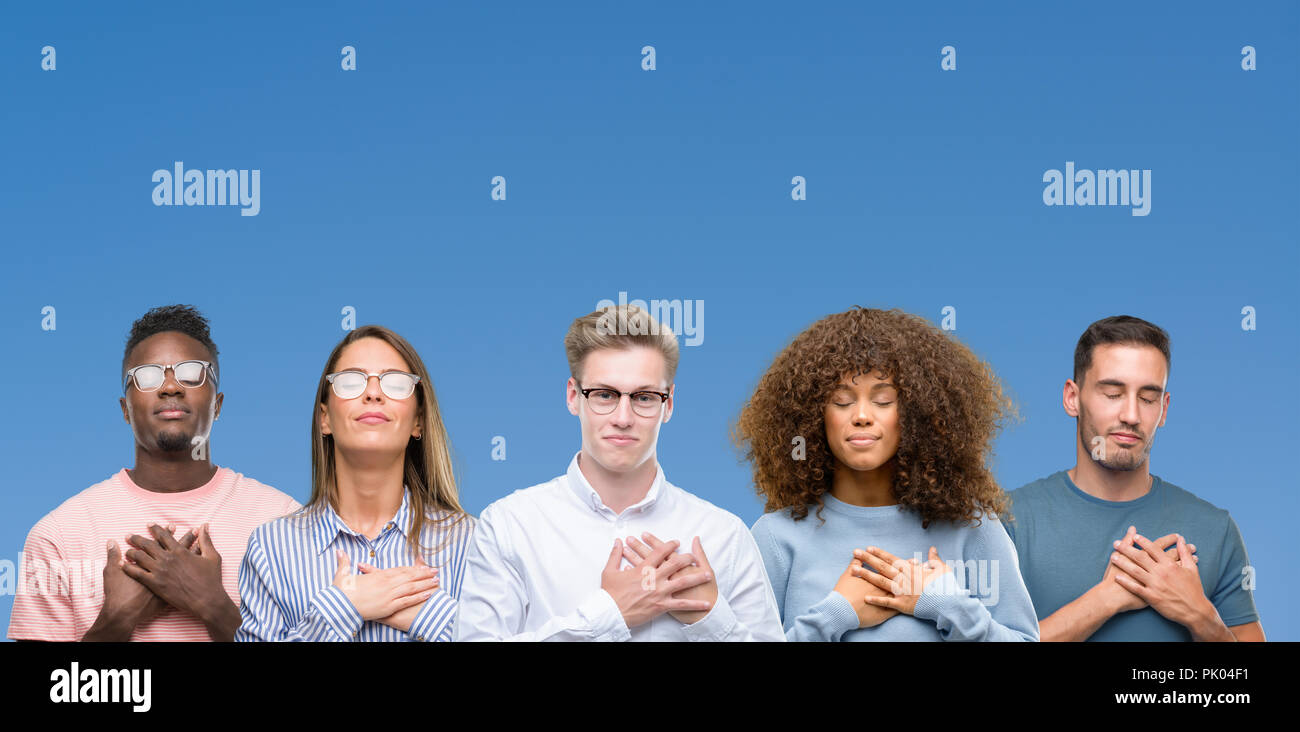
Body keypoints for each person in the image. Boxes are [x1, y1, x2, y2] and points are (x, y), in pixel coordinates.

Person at [455, 304, 784, 641]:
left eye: (643, 397)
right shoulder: (509, 526)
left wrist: (711, 620)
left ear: (668, 404)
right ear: (573, 397)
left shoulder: (724, 536)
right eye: (605, 395)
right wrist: (609, 615)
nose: (623, 417)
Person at [740, 307, 1038, 641]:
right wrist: (833, 616)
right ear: (812, 417)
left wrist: (947, 605)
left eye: (883, 400)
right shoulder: (775, 539)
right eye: (841, 401)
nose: (862, 415)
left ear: (918, 413)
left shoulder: (973, 528)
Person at [8, 305, 299, 642]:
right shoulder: (57, 535)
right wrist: (117, 619)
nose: (170, 387)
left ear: (217, 405)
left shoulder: (285, 523)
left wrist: (214, 605)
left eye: (191, 373)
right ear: (125, 410)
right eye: (148, 375)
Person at [1002, 315, 1264, 641]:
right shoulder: (1008, 523)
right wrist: (1104, 600)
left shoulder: (1216, 530)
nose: (1131, 415)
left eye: (1148, 398)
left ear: (1164, 409)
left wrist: (1202, 618)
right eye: (1112, 394)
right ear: (1073, 398)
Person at [236, 326, 474, 641]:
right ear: (325, 418)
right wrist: (343, 607)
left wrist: (430, 616)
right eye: (351, 381)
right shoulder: (271, 548)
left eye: (395, 382)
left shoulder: (472, 542)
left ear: (418, 421)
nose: (373, 394)